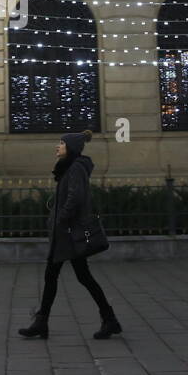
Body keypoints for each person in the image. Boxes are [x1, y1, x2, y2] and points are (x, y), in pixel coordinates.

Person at [18, 130, 122, 341]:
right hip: (66, 233)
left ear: (71, 148)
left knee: (61, 275)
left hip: (67, 233)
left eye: (61, 144)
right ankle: (107, 318)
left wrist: (60, 219)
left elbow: (76, 198)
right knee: (73, 276)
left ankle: (43, 321)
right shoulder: (70, 167)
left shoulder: (75, 168)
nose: (57, 147)